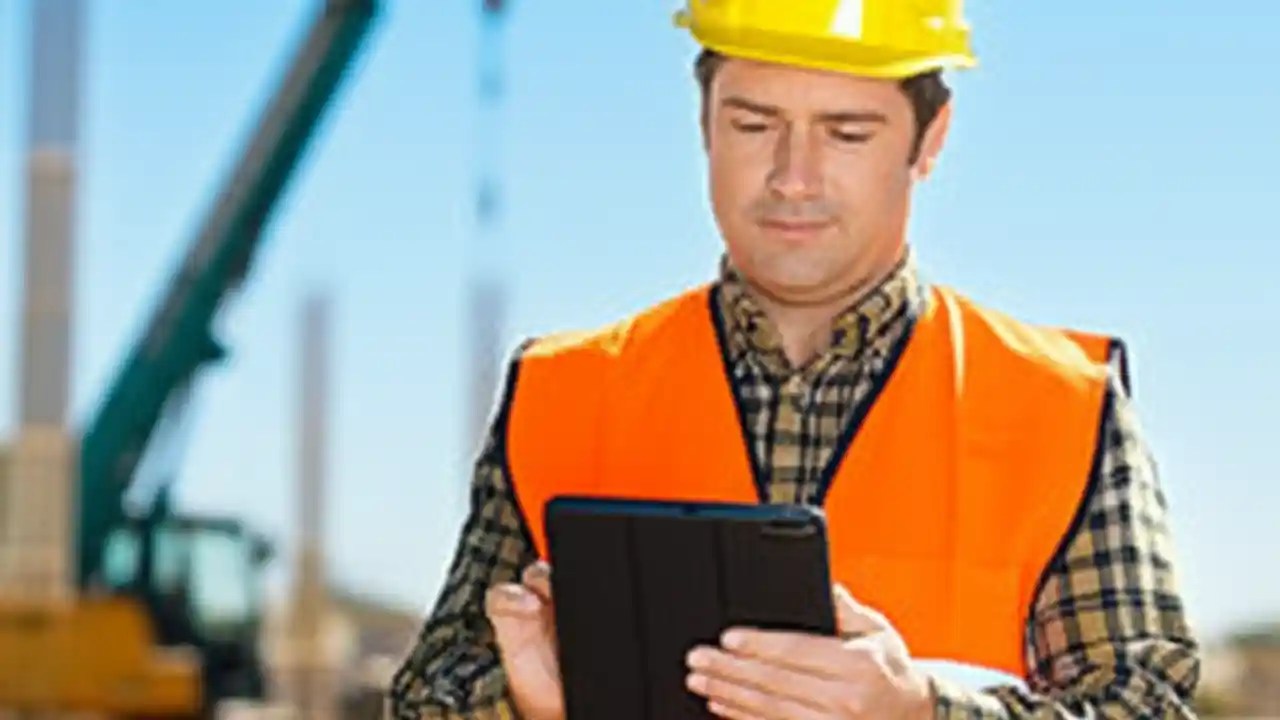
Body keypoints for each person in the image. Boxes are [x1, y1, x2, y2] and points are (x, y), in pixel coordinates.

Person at [389, 2, 1201, 718]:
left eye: (846, 132)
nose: (793, 177)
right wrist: (529, 704)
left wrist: (922, 714)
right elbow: (430, 697)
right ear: (703, 119)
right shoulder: (562, 392)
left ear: (931, 139)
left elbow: (1145, 707)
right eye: (753, 124)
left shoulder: (1060, 404)